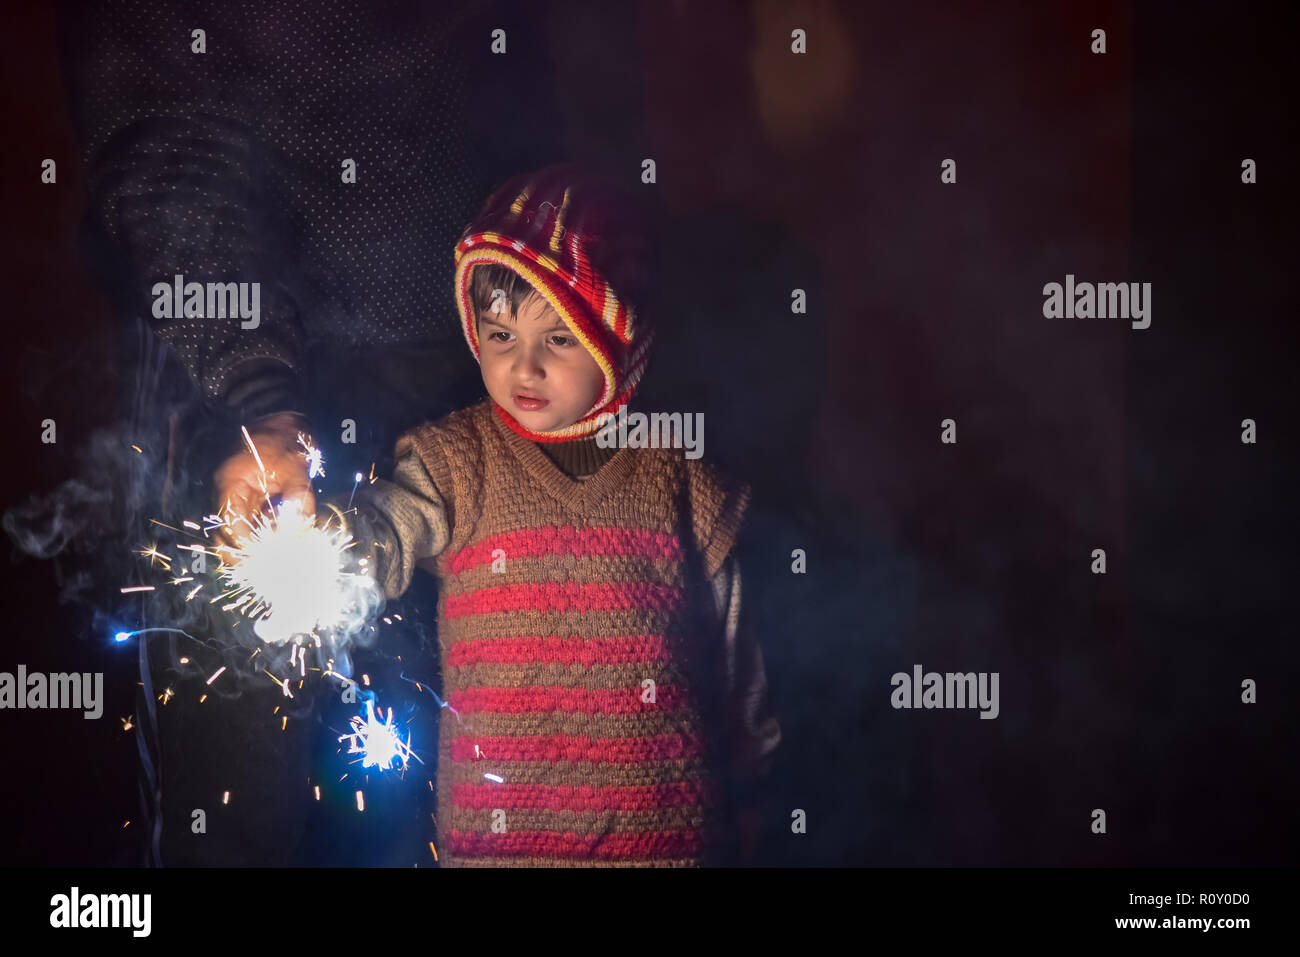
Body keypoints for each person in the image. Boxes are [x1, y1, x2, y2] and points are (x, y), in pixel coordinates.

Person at [340, 162, 781, 866]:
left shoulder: (680, 477)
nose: (525, 368)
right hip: (499, 847)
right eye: (502, 335)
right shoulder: (456, 461)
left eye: (560, 337)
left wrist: (755, 783)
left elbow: (736, 663)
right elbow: (387, 533)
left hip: (663, 843)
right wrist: (331, 543)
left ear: (621, 335)